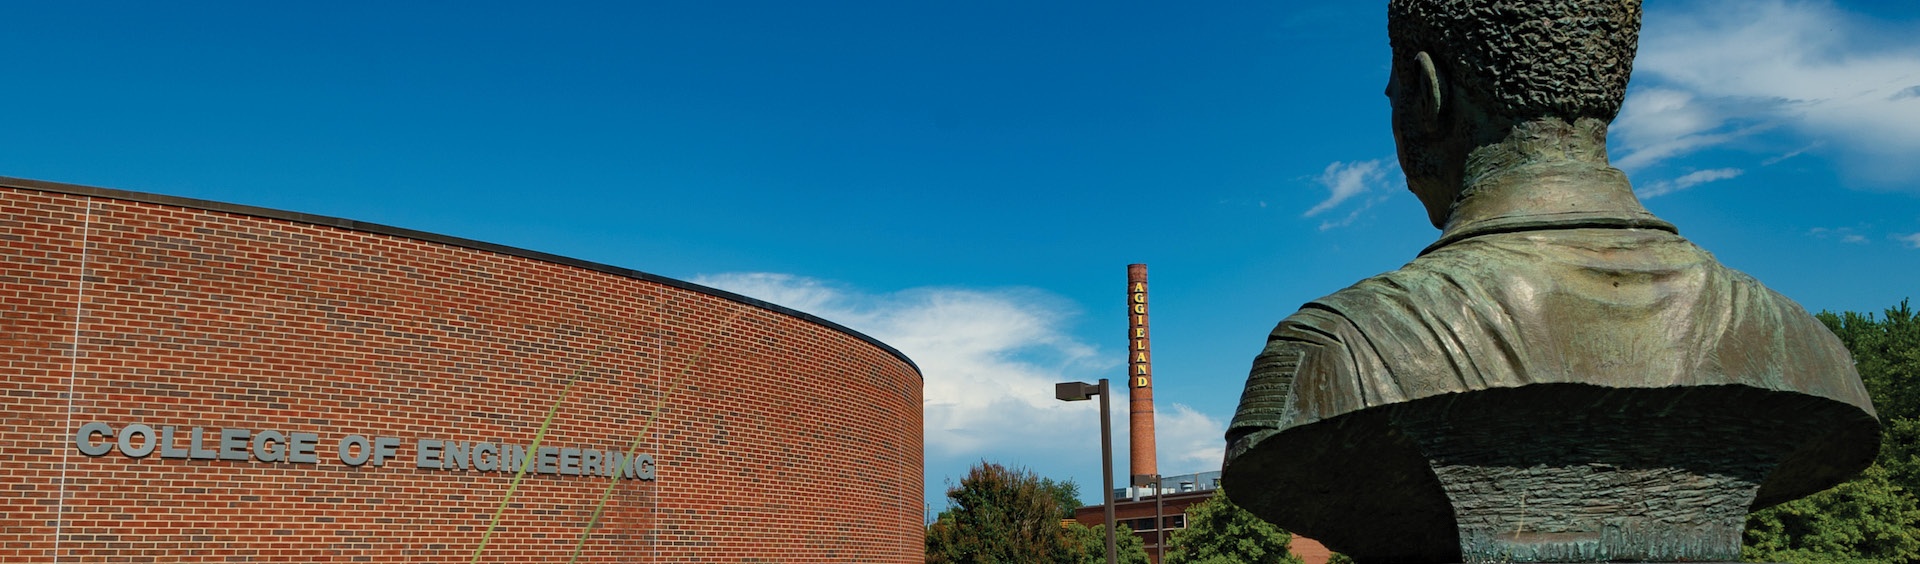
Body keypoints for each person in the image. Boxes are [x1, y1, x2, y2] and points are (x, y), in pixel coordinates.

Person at [1219, 2, 1878, 562]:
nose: (1390, 99)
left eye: (1393, 84)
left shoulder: (1335, 354)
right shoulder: (1809, 351)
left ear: (1427, 93)